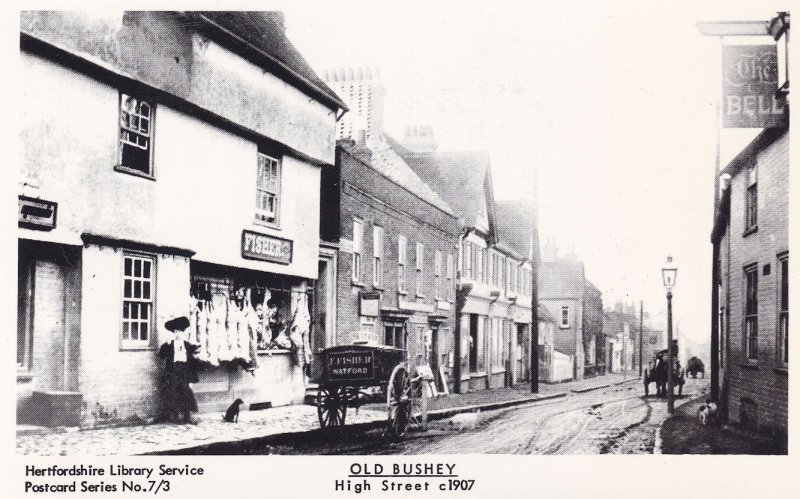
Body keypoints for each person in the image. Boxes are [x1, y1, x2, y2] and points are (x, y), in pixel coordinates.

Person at [159, 316, 200, 423]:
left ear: (183, 333)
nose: (177, 334)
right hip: (173, 371)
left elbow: (192, 364)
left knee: (186, 393)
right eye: (175, 332)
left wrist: (191, 380)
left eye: (180, 332)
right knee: (174, 394)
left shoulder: (187, 345)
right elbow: (162, 355)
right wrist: (166, 345)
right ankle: (176, 417)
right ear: (173, 333)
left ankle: (187, 417)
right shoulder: (170, 345)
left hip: (184, 372)